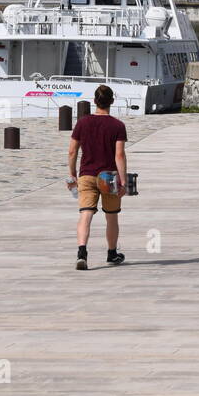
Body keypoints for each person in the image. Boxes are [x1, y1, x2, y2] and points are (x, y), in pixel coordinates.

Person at [67, 84, 129, 270]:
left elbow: (72, 151)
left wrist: (72, 174)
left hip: (86, 174)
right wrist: (123, 181)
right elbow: (119, 155)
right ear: (111, 102)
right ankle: (111, 253)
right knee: (111, 216)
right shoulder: (117, 125)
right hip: (108, 176)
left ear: (95, 101)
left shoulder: (82, 123)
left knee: (85, 213)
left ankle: (82, 253)